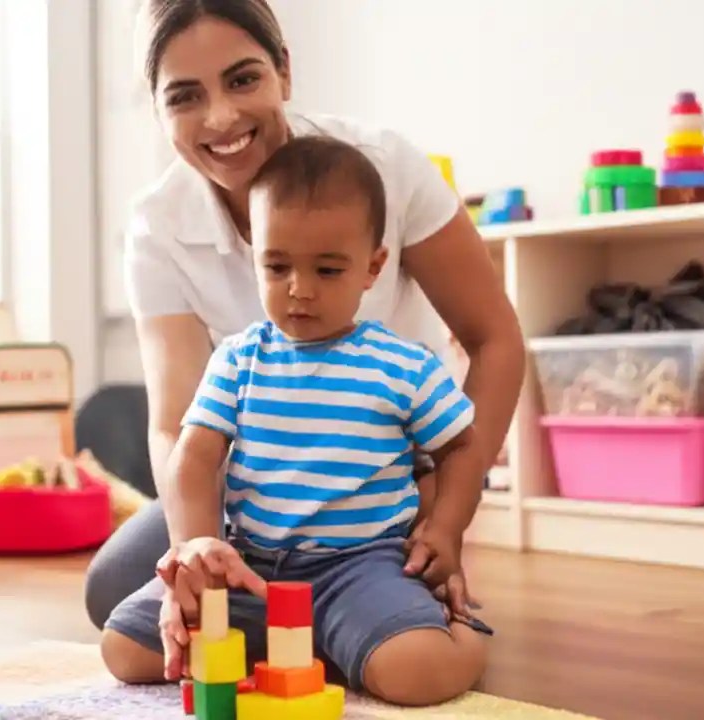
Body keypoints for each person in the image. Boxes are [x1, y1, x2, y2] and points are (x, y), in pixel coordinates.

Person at [85, 0, 524, 676]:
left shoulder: (383, 167)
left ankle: (371, 615)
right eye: (185, 96)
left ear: (284, 71)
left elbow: (495, 338)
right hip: (258, 501)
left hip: (384, 484)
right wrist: (197, 548)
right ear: (157, 108)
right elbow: (178, 425)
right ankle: (312, 625)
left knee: (402, 645)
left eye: (242, 79)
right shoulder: (159, 226)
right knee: (113, 589)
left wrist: (447, 519)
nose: (222, 118)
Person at [102, 134, 489, 706]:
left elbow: (461, 449)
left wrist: (445, 530)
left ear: (372, 268)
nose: (299, 291)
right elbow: (194, 455)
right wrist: (198, 544)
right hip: (250, 567)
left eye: (328, 271)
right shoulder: (238, 358)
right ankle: (310, 647)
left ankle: (457, 634)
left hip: (359, 566)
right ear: (256, 251)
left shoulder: (404, 365)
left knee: (416, 673)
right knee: (125, 649)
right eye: (277, 266)